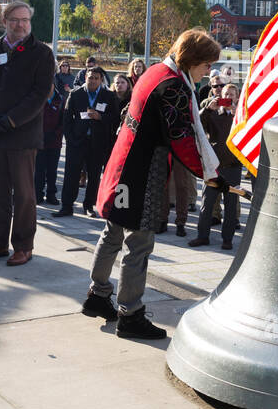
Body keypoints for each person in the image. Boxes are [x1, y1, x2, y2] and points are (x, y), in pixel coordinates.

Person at [83, 28, 222, 339]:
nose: (208, 71)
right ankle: (130, 315)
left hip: (123, 162)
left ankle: (98, 295)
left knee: (113, 232)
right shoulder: (173, 86)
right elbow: (182, 139)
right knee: (139, 244)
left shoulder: (156, 71)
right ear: (193, 59)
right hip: (143, 170)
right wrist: (210, 174)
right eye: (207, 64)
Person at [0, 1, 55, 267]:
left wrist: (11, 120)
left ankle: (23, 246)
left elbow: (39, 94)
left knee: (24, 195)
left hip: (22, 134)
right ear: (4, 21)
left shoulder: (42, 53)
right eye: (14, 20)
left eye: (24, 20)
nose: (20, 25)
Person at [55, 66, 116, 218]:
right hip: (77, 141)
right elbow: (67, 118)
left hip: (97, 143)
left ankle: (89, 206)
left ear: (101, 80)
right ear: (85, 78)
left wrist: (100, 117)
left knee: (94, 175)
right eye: (90, 77)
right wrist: (70, 138)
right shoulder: (76, 94)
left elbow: (115, 117)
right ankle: (67, 206)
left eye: (96, 78)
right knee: (71, 174)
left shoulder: (108, 95)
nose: (93, 80)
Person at [190, 83, 242, 249]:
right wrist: (208, 109)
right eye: (225, 94)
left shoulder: (241, 115)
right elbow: (197, 124)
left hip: (233, 166)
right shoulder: (213, 113)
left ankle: (227, 239)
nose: (228, 97)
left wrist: (237, 115)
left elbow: (249, 130)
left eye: (232, 95)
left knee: (231, 204)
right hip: (214, 166)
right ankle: (202, 236)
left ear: (237, 97)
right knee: (208, 203)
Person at [37, 82, 63, 205]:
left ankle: (51, 194)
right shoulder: (37, 98)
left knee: (52, 171)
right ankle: (37, 194)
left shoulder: (61, 99)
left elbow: (64, 121)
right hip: (39, 141)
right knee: (39, 170)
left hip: (54, 142)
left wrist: (55, 134)